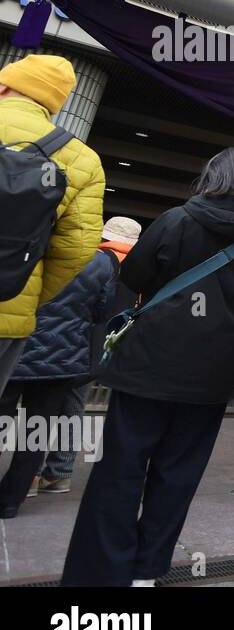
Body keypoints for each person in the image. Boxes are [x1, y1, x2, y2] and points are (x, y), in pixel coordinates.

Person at [62, 148, 234, 586]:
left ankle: (103, 572)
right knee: (178, 475)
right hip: (212, 377)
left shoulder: (178, 219)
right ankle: (147, 571)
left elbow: (136, 276)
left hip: (147, 366)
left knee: (120, 468)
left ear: (212, 175)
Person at [0, 217, 135, 517]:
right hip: (68, 356)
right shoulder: (104, 265)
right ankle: (15, 497)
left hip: (21, 347)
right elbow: (102, 311)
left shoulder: (35, 251)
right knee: (41, 426)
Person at [0, 55, 105, 394]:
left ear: (4, 86)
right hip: (9, 310)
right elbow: (76, 250)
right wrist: (26, 293)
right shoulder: (82, 159)